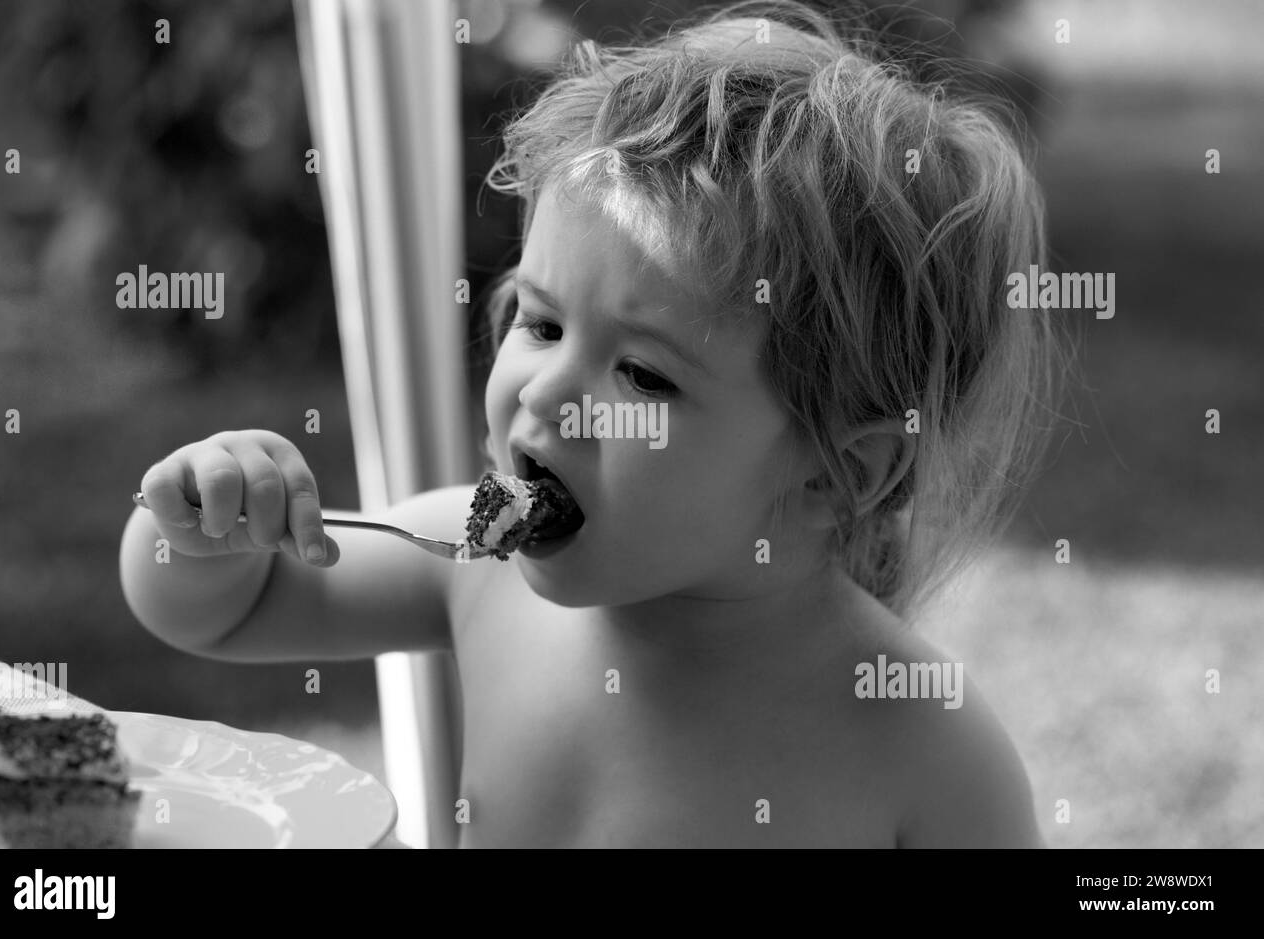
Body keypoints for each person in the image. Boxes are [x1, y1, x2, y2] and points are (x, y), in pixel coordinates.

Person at [120, 0, 1061, 847]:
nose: (544, 393)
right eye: (541, 323)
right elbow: (223, 613)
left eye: (643, 374)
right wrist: (202, 527)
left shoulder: (924, 748)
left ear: (839, 472)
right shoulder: (473, 562)